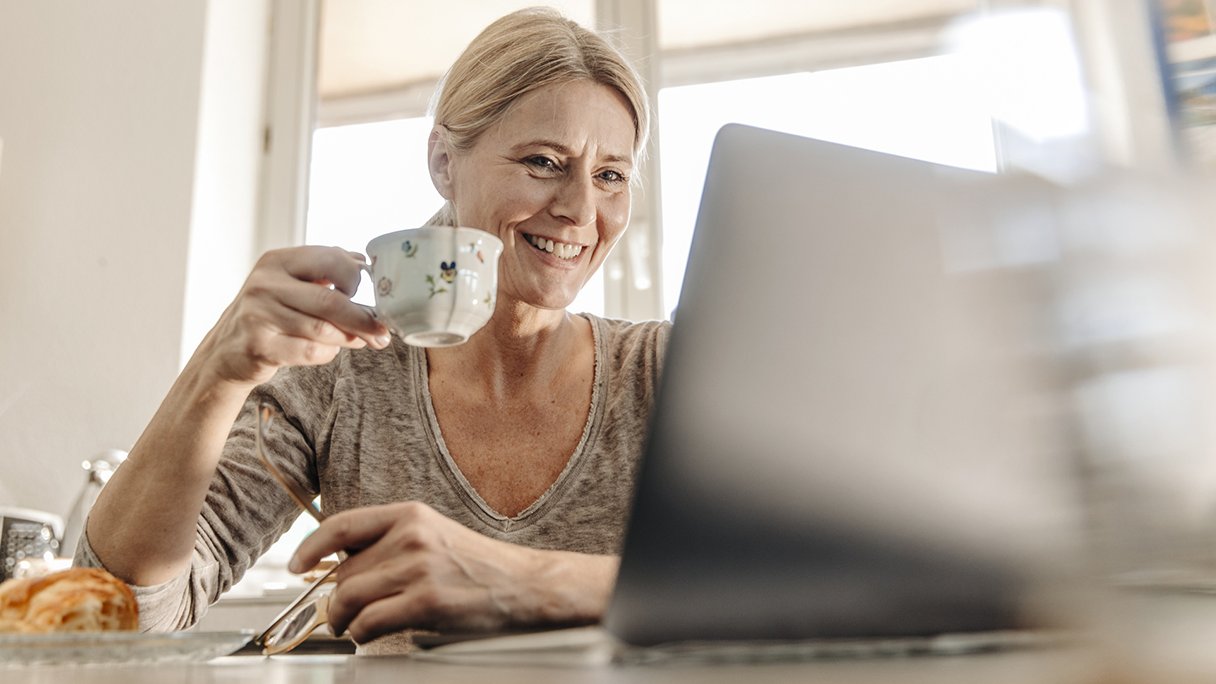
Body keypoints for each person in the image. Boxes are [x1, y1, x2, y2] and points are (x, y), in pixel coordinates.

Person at [76, 7, 670, 653]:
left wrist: (525, 580)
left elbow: (789, 589)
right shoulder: (336, 382)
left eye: (610, 174)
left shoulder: (668, 371)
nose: (581, 208)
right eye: (543, 161)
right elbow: (118, 618)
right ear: (444, 162)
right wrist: (215, 373)